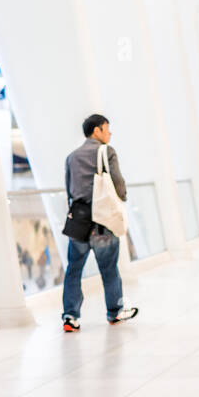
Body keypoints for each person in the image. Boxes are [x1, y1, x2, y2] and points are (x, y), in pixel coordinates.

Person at [62, 113, 138, 331]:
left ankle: (70, 316)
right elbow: (118, 182)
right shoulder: (106, 151)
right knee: (109, 268)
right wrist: (121, 199)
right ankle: (114, 312)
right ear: (97, 130)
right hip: (102, 219)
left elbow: (68, 187)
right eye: (107, 128)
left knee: (74, 270)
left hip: (78, 218)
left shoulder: (72, 157)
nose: (110, 132)